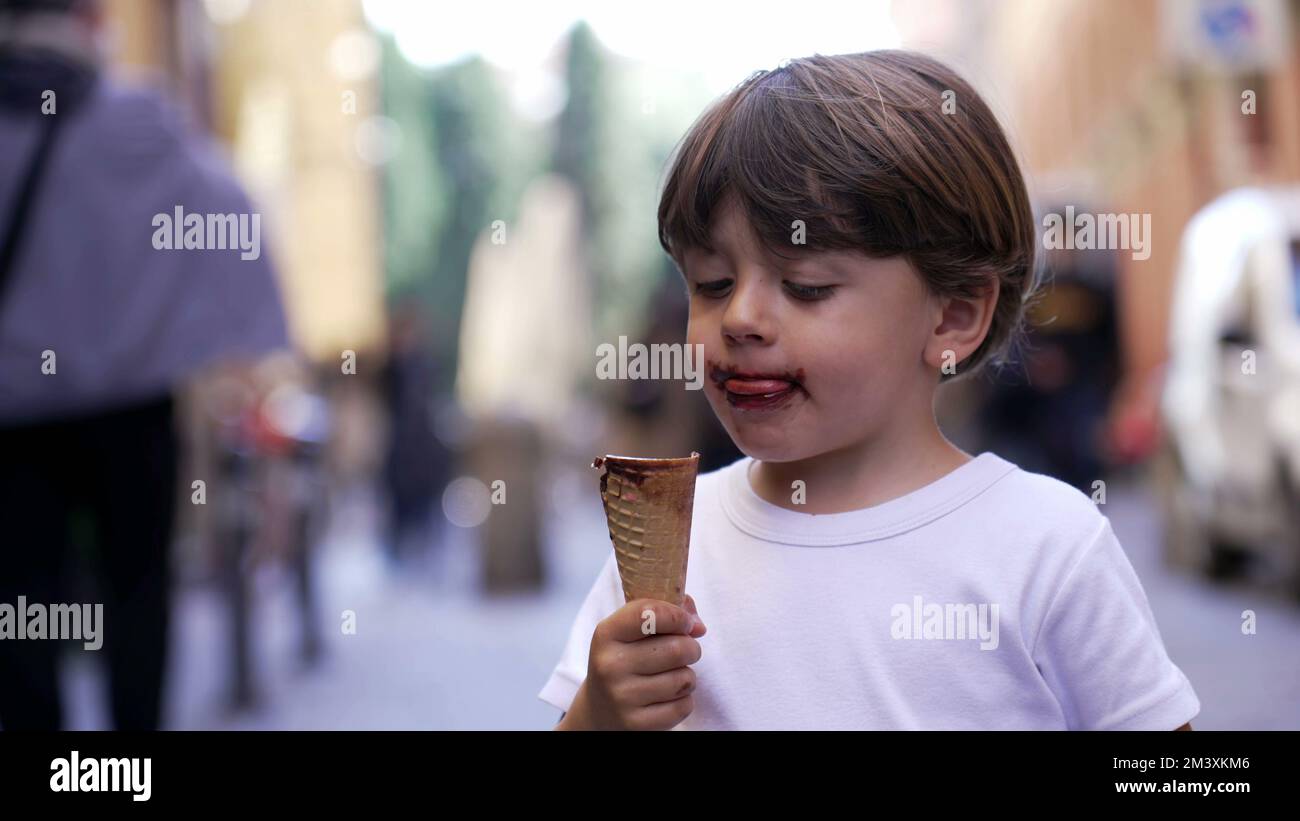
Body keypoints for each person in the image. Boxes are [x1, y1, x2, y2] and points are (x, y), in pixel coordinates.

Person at [538, 51, 1199, 730]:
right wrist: (598, 713)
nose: (739, 317)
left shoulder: (1046, 546)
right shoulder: (676, 546)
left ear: (953, 316)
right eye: (712, 283)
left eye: (806, 286)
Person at [0, 0, 288, 729]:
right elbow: (233, 217)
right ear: (88, 21)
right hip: (130, 411)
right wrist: (228, 344)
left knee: (24, 609)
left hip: (15, 419)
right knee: (138, 596)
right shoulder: (137, 121)